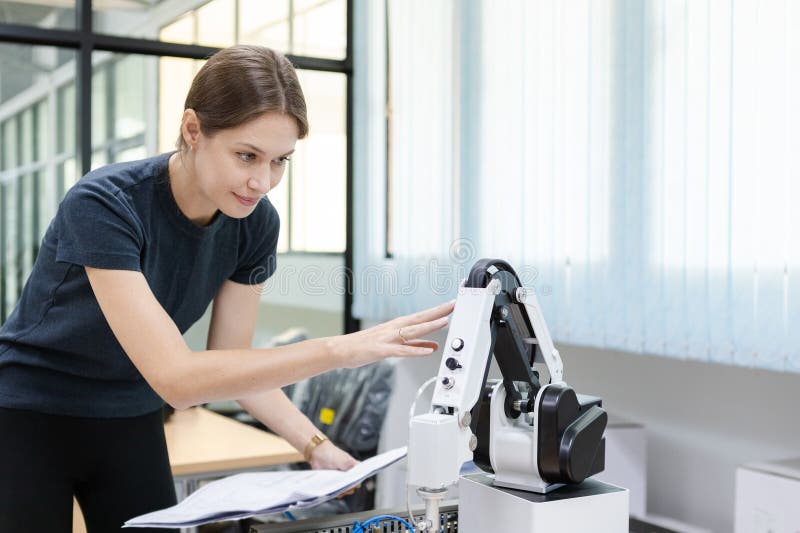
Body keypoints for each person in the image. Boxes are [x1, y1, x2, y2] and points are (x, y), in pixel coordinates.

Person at [0, 45, 453, 532]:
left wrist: (319, 449)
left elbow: (231, 362)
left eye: (280, 160)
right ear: (193, 130)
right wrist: (340, 350)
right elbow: (178, 379)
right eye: (247, 155)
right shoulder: (104, 204)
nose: (262, 181)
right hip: (29, 413)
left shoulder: (255, 224)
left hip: (131, 415)